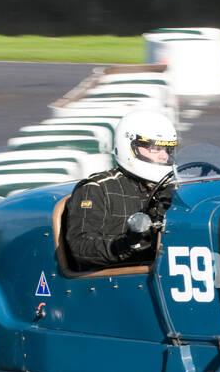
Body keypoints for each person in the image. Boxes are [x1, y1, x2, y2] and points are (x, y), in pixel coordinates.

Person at [63, 109, 177, 272]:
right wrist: (127, 244)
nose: (164, 156)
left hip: (168, 273)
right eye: (154, 149)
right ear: (130, 146)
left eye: (167, 149)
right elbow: (81, 246)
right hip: (117, 281)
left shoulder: (173, 188)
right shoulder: (97, 189)